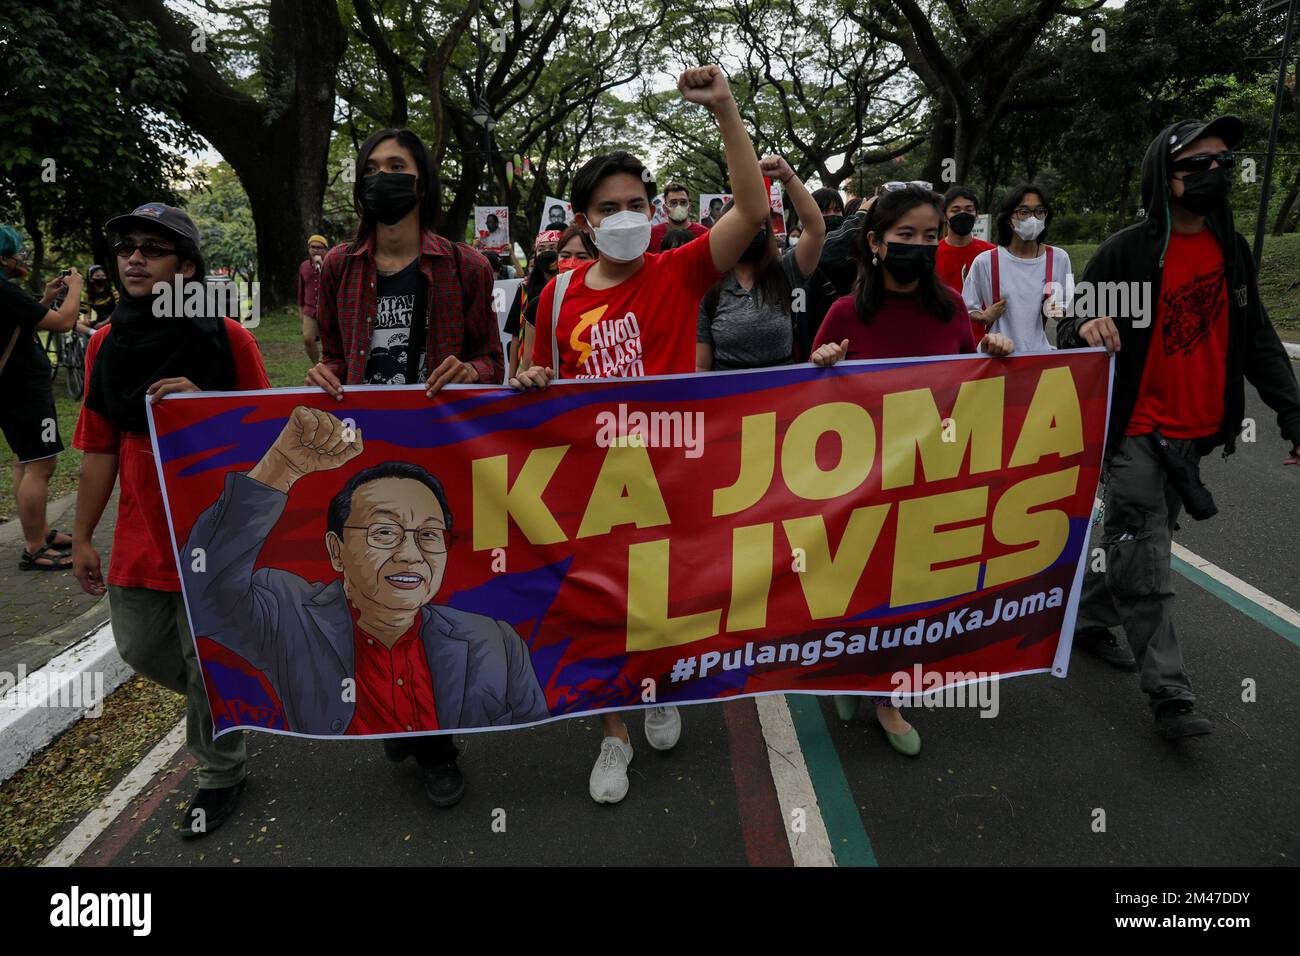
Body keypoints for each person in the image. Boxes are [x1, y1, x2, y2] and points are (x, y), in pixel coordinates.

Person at [512, 64, 769, 803]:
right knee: (596, 614)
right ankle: (612, 732)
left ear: (653, 210)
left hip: (668, 481)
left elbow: (752, 209)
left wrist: (724, 110)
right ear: (584, 220)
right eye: (608, 205)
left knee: (658, 603)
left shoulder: (679, 272)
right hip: (589, 490)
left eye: (637, 202)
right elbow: (541, 387)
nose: (625, 214)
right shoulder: (556, 291)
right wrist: (529, 383)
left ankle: (655, 688)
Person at [1059, 116, 1300, 739]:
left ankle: (1083, 617)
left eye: (1224, 160)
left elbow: (1258, 342)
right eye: (1198, 164)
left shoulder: (1234, 251)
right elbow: (1070, 321)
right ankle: (1170, 692)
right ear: (1164, 180)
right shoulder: (1125, 253)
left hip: (1196, 437)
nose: (1215, 172)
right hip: (1137, 433)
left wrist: (1291, 414)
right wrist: (1086, 326)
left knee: (1142, 546)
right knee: (1147, 555)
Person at [305, 127, 501, 805]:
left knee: (427, 595)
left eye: (398, 165)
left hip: (437, 457)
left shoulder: (466, 266)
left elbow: (491, 362)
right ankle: (399, 719)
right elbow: (333, 353)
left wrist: (469, 370)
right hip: (363, 455)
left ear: (422, 182)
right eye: (372, 167)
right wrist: (325, 375)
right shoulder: (338, 268)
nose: (382, 175)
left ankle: (436, 745)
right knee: (369, 594)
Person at [70, 202, 270, 838]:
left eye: (152, 249)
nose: (133, 258)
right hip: (141, 531)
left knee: (203, 654)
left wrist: (206, 408)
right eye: (127, 245)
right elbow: (99, 446)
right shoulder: (106, 341)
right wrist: (79, 537)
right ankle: (234, 694)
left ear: (186, 267)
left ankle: (220, 772)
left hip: (213, 526)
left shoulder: (225, 336)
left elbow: (270, 430)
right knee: (140, 647)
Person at [184, 406, 550, 735]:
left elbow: (531, 741)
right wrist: (281, 467)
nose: (410, 555)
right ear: (336, 550)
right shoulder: (287, 614)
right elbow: (206, 591)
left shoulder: (495, 644)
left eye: (428, 535)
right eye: (385, 532)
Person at [808, 184, 1014, 757]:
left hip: (928, 476)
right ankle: (855, 673)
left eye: (929, 236)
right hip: (857, 481)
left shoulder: (950, 308)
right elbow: (801, 401)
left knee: (908, 590)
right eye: (905, 237)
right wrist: (822, 365)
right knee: (858, 585)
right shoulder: (845, 313)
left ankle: (886, 695)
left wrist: (993, 355)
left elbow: (967, 382)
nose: (920, 247)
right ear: (874, 243)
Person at [0, 226, 83, 571]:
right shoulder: (5, 291)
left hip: (9, 389)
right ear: (3, 258)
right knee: (43, 463)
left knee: (25, 459)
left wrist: (47, 298)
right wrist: (75, 287)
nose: (20, 257)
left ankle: (40, 532)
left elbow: (24, 323)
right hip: (25, 391)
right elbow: (64, 323)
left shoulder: (8, 294)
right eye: (15, 252)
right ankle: (35, 548)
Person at [697, 155, 826, 371]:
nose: (751, 231)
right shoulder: (708, 287)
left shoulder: (786, 271)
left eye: (759, 224)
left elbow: (815, 230)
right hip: (729, 399)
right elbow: (700, 367)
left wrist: (788, 176)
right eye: (742, 226)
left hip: (785, 396)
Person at [961, 183, 1072, 353]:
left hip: (1038, 356)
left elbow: (1069, 312)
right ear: (1008, 218)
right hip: (995, 357)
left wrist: (1057, 311)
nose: (1033, 219)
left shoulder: (1059, 258)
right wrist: (984, 317)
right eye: (1024, 212)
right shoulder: (986, 261)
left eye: (1040, 211)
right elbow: (965, 309)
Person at [935, 186, 995, 343]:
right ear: (944, 215)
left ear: (977, 214)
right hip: (943, 341)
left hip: (985, 343)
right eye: (955, 210)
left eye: (969, 209)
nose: (963, 214)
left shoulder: (992, 254)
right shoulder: (931, 253)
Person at [649, 183, 708, 251]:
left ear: (689, 207)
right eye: (673, 203)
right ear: (665, 208)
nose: (679, 206)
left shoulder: (704, 233)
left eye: (683, 202)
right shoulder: (653, 234)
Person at [298, 234, 328, 364]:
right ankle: (316, 365)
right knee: (308, 339)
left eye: (319, 247)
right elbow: (301, 288)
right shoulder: (304, 266)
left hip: (328, 309)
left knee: (329, 342)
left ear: (325, 250)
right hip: (309, 310)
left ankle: (329, 365)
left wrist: (322, 266)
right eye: (312, 247)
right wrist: (300, 309)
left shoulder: (330, 263)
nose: (315, 250)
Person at [82, 264, 118, 329]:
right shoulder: (88, 295)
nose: (101, 278)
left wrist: (103, 323)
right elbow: (87, 312)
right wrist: (87, 320)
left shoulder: (112, 291)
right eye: (98, 276)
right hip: (100, 322)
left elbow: (119, 308)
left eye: (103, 275)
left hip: (115, 319)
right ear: (91, 279)